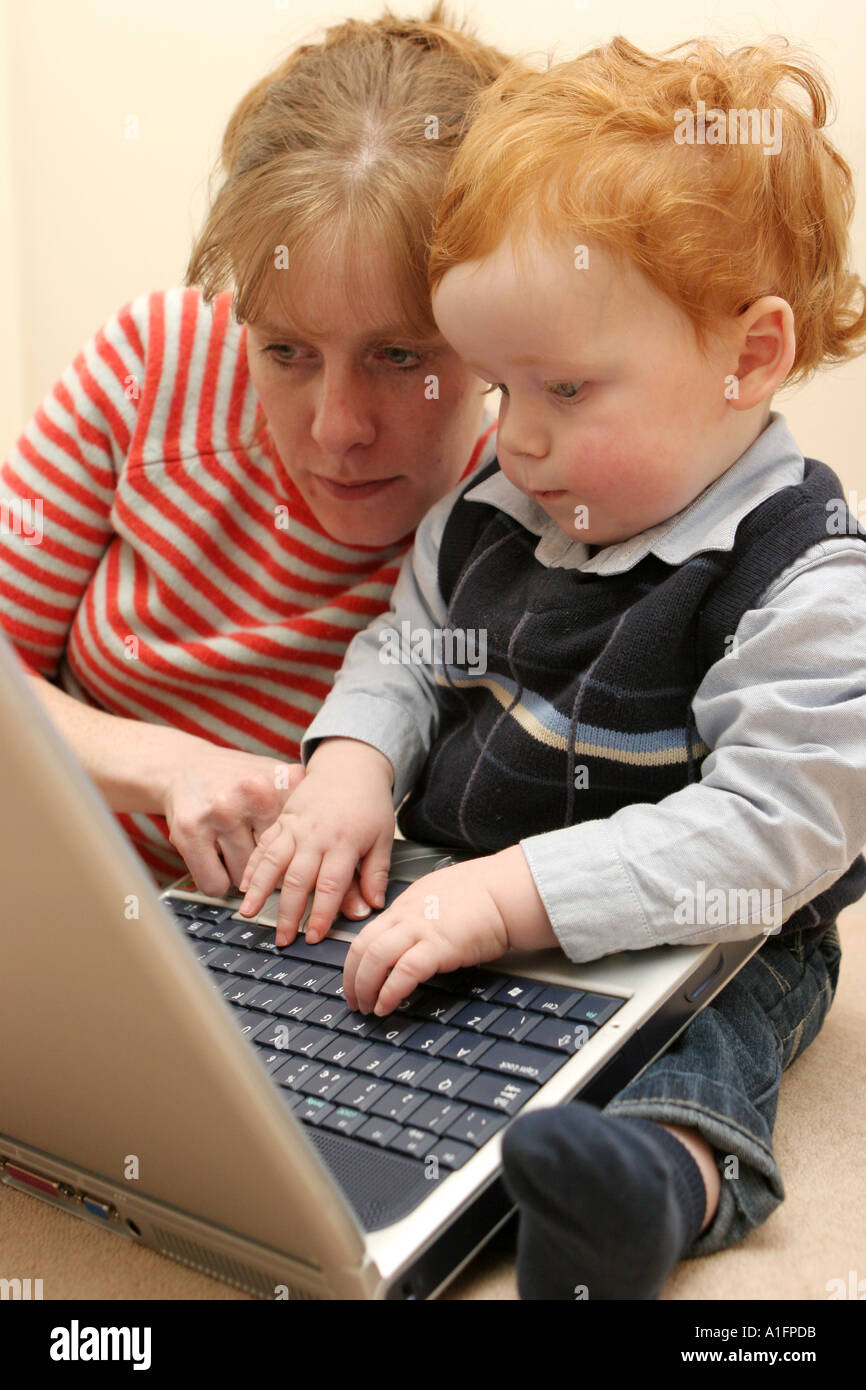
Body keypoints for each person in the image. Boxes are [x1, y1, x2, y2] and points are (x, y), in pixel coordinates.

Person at [237, 35, 866, 1299]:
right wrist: (353, 761)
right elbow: (408, 649)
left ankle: (643, 1192)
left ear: (745, 357)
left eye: (565, 389)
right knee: (314, 988)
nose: (514, 438)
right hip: (453, 884)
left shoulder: (802, 576)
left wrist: (517, 893)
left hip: (695, 942)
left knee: (699, 1055)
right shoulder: (495, 501)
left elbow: (773, 827)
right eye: (499, 384)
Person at [0, 3, 506, 898]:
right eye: (285, 351)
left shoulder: (530, 505)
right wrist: (168, 766)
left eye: (399, 356)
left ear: (495, 334)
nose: (337, 428)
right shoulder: (155, 363)